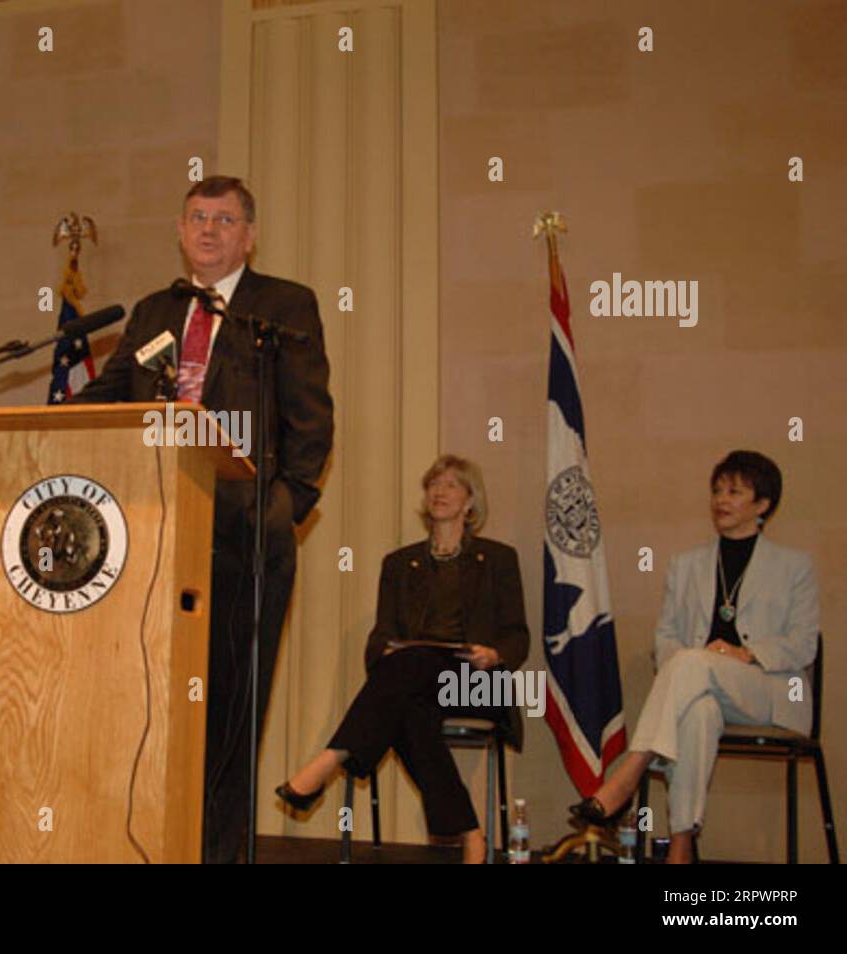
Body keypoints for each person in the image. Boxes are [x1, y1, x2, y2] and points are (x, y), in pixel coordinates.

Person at [73, 175, 334, 862]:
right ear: (181, 231)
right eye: (196, 218)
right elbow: (110, 396)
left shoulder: (283, 305)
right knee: (151, 704)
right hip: (150, 533)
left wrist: (283, 511)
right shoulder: (157, 308)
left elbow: (312, 423)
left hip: (243, 537)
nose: (209, 230)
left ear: (249, 235)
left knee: (226, 713)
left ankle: (217, 854)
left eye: (224, 219)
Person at [276, 455, 528, 863]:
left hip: (475, 681)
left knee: (411, 668)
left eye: (451, 485)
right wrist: (390, 651)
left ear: (469, 501)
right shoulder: (399, 564)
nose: (439, 492)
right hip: (414, 682)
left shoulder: (498, 559)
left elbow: (518, 634)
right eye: (434, 484)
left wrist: (494, 653)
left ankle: (331, 758)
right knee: (411, 700)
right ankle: (471, 832)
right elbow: (379, 639)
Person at [569, 450, 819, 863]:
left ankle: (630, 771)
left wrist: (743, 652)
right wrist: (694, 659)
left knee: (691, 663)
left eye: (734, 492)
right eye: (717, 490)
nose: (721, 499)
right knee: (698, 708)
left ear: (763, 505)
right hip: (701, 687)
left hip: (769, 691)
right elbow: (665, 637)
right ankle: (682, 843)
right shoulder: (686, 565)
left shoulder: (794, 567)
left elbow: (803, 643)